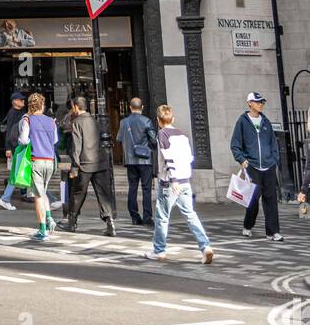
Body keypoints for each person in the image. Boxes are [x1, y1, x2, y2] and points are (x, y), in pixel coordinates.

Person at [143, 104, 213, 264]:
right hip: (185, 181)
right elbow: (189, 157)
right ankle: (205, 246)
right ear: (172, 119)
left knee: (162, 217)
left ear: (158, 121)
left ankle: (159, 250)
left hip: (169, 182)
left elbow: (168, 158)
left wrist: (173, 179)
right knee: (190, 214)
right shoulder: (182, 135)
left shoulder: (162, 134)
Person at [58, 95, 116, 235]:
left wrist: (74, 166)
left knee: (77, 193)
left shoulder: (77, 122)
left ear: (76, 107)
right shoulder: (95, 121)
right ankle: (110, 223)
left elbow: (76, 146)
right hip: (100, 162)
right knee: (103, 193)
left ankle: (72, 222)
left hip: (84, 163)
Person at [229, 91, 283, 241]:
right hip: (252, 166)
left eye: (262, 102)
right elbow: (235, 145)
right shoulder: (242, 121)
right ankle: (248, 225)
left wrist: (274, 160)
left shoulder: (266, 122)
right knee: (253, 199)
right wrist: (241, 159)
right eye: (258, 102)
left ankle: (273, 232)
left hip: (269, 166)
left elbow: (273, 143)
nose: (261, 104)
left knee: (271, 199)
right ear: (249, 103)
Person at [20, 92, 59, 241]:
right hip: (50, 161)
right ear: (42, 105)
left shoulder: (27, 120)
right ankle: (49, 218)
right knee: (43, 192)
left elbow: (23, 140)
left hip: (36, 159)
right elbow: (55, 141)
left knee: (38, 196)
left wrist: (30, 140)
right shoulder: (51, 121)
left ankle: (43, 229)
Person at [116, 98, 157, 226]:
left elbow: (118, 138)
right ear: (142, 107)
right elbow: (154, 140)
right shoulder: (146, 121)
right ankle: (147, 217)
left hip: (130, 160)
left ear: (130, 107)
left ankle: (134, 216)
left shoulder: (124, 122)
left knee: (132, 188)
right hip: (145, 160)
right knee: (146, 189)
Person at [0, 92, 28, 211]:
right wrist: (8, 148)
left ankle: (22, 194)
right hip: (16, 146)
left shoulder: (21, 112)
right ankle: (7, 198)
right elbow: (9, 130)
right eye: (21, 100)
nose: (23, 101)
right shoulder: (12, 113)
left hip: (19, 146)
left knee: (18, 171)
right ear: (14, 101)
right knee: (17, 172)